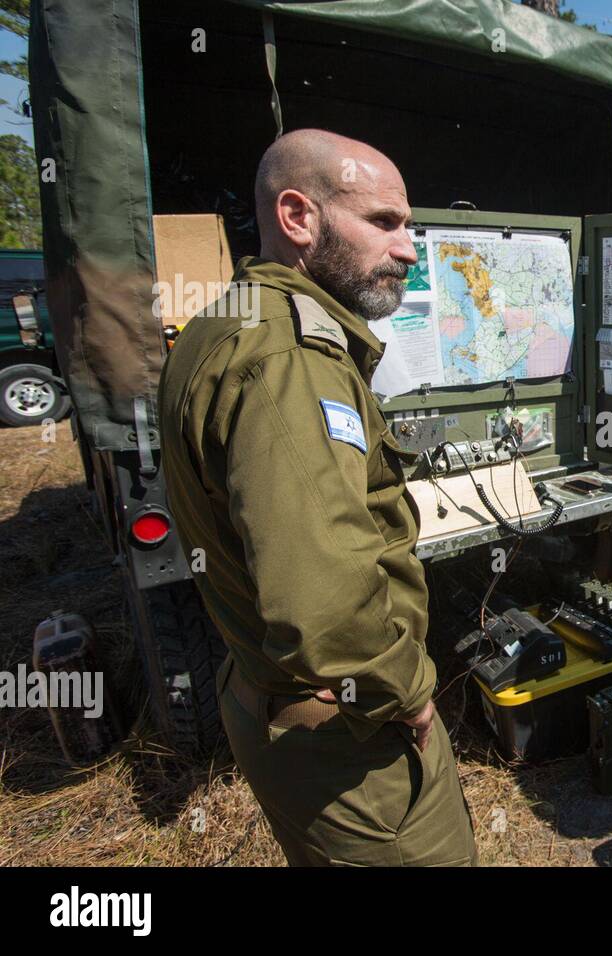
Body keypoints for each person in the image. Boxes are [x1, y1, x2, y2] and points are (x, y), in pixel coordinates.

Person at [158, 129, 477, 866]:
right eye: (385, 223)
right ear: (299, 217)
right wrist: (410, 692)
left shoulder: (229, 317)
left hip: (273, 696)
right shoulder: (293, 361)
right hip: (348, 730)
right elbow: (325, 605)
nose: (408, 248)